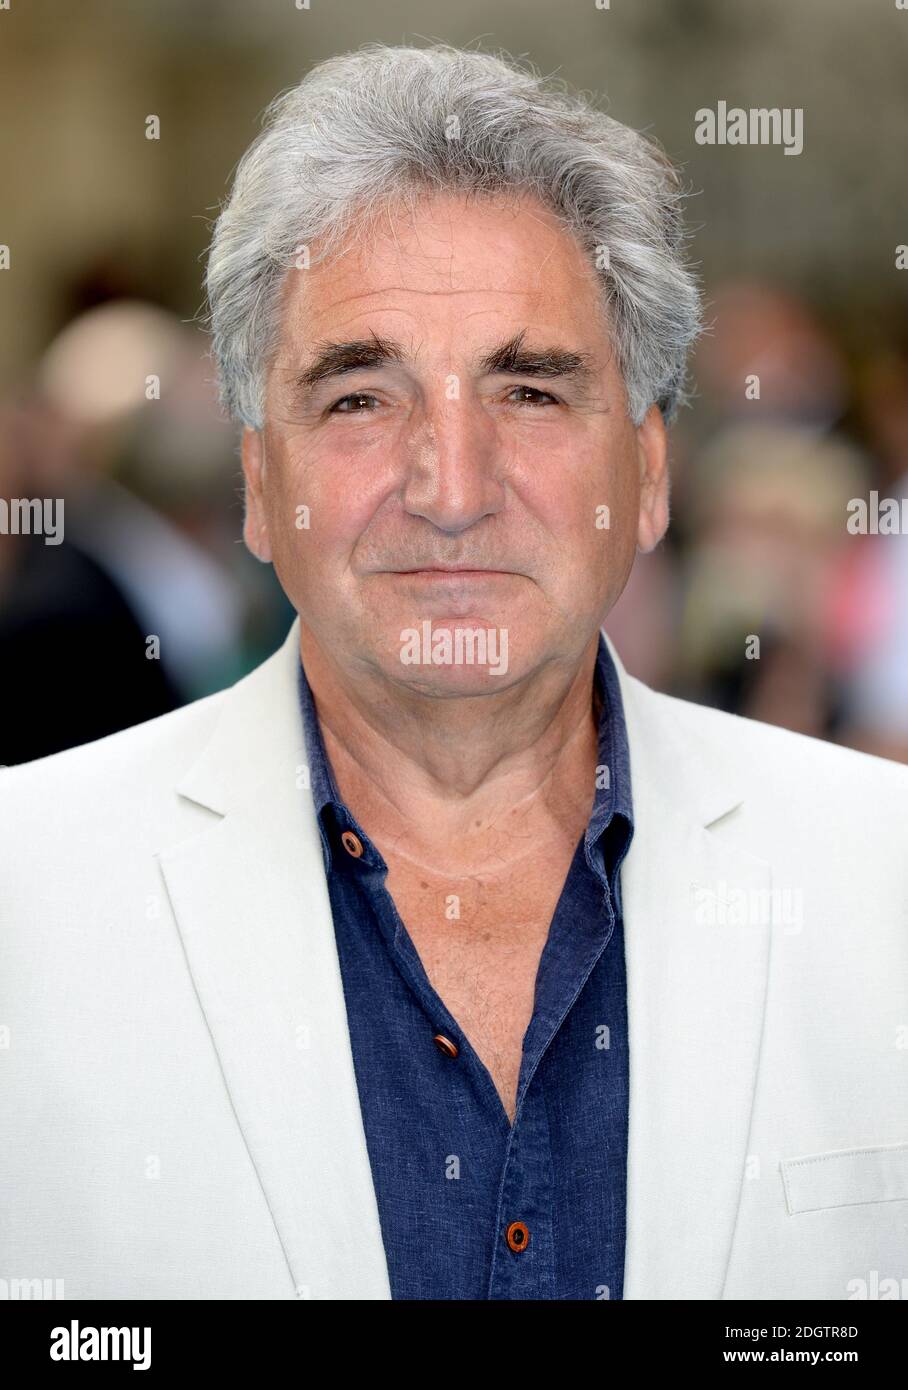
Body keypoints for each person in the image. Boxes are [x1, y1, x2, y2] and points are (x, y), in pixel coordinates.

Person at [2, 43, 906, 1302]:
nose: (452, 488)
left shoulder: (881, 874)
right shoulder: (26, 897)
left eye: (529, 391)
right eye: (361, 398)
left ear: (648, 474)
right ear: (257, 484)